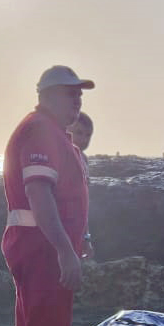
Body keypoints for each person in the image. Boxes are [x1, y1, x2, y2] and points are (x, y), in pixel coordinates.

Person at [2, 65, 94, 326]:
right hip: (41, 251)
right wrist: (64, 250)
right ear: (49, 94)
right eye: (71, 93)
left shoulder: (53, 133)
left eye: (80, 94)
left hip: (38, 248)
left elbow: (63, 197)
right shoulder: (40, 130)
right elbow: (39, 196)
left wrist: (80, 237)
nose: (78, 101)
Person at [67, 111, 94, 259]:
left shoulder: (83, 158)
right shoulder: (61, 156)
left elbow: (83, 203)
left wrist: (87, 238)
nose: (84, 139)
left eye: (88, 135)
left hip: (78, 228)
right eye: (79, 133)